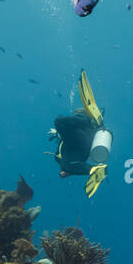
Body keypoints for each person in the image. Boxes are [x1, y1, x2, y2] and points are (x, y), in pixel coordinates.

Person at [49, 70, 112, 199]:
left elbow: (59, 122)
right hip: (87, 146)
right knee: (67, 165)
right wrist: (67, 172)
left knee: (59, 121)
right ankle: (93, 170)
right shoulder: (66, 162)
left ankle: (91, 169)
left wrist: (84, 122)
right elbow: (70, 165)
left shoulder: (68, 133)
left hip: (79, 139)